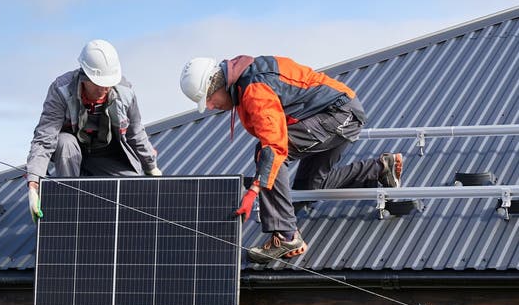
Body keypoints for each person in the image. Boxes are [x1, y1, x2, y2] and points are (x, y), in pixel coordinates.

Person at [179, 55, 403, 263]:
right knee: (310, 187)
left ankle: (287, 236)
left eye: (209, 98)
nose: (210, 106)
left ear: (218, 84)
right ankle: (381, 168)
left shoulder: (254, 88)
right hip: (334, 112)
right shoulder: (245, 80)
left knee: (267, 153)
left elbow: (274, 145)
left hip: (338, 114)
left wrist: (254, 190)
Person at [26, 39, 162, 221]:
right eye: (99, 83)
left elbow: (135, 132)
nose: (105, 88)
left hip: (107, 156)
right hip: (72, 156)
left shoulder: (125, 92)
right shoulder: (61, 90)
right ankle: (70, 209)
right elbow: (44, 139)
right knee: (64, 142)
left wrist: (151, 167)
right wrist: (34, 185)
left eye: (109, 82)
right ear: (85, 77)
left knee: (132, 189)